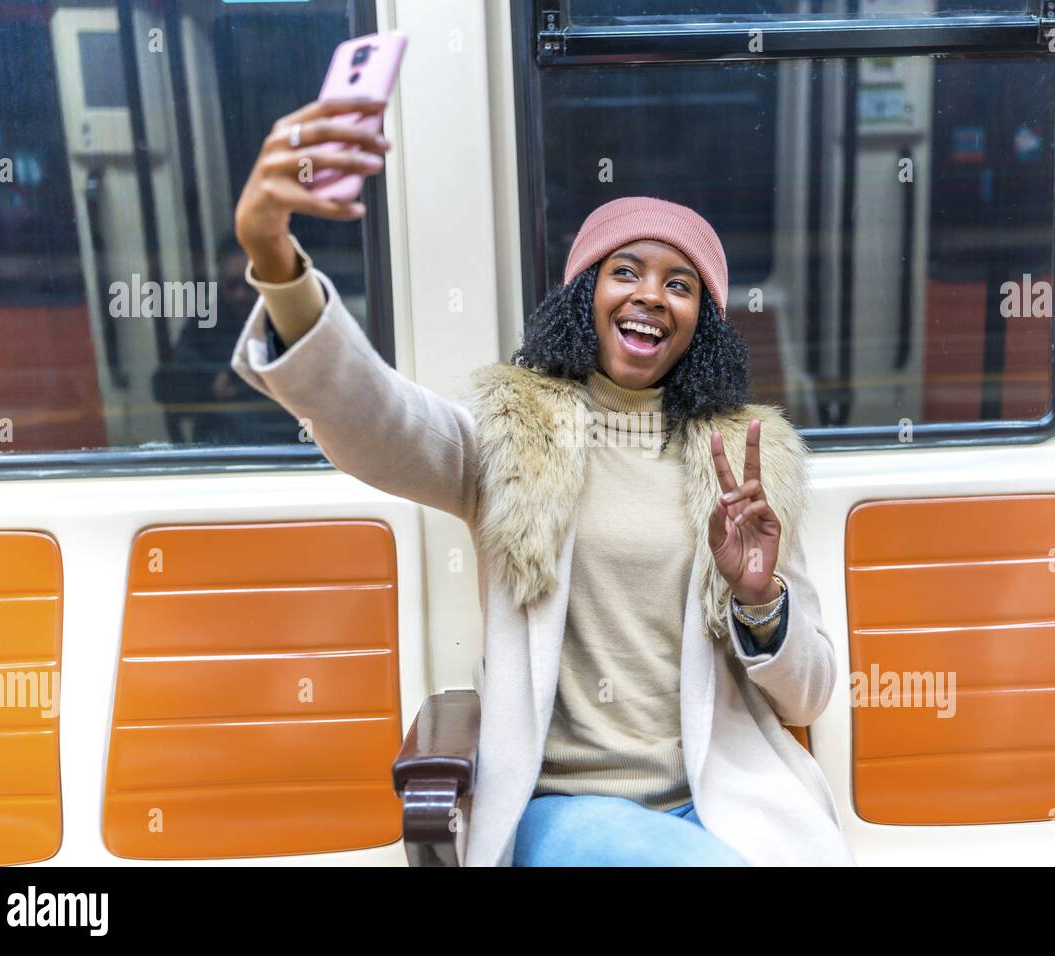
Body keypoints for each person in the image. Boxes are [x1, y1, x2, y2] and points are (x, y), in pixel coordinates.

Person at [230, 96, 854, 867]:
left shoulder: (747, 466)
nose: (651, 295)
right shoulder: (511, 441)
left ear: (705, 321)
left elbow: (811, 694)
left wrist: (761, 602)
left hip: (721, 807)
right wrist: (276, 262)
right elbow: (373, 415)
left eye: (680, 283)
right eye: (625, 271)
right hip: (565, 813)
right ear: (584, 297)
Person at [152, 234, 298, 445]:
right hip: (223, 448)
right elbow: (164, 385)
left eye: (249, 284)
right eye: (231, 285)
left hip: (290, 445)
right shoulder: (206, 324)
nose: (240, 294)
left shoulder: (295, 320)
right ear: (220, 282)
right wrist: (211, 385)